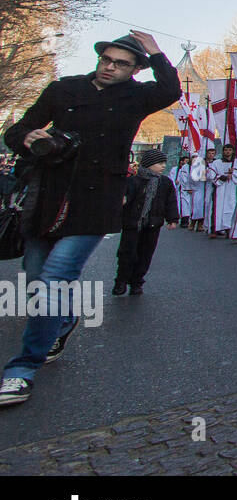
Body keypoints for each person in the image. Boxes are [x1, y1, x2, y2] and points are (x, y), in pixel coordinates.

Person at [0, 31, 181, 408]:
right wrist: (29, 139)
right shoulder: (62, 90)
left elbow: (170, 91)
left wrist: (155, 50)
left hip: (96, 203)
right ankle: (62, 323)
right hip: (48, 195)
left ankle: (22, 369)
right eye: (106, 60)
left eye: (121, 64)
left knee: (53, 280)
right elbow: (14, 131)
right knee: (37, 280)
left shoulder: (136, 97)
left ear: (135, 70)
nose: (110, 67)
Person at [113, 148, 180, 295]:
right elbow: (126, 197)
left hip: (153, 225)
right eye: (159, 163)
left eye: (164, 163)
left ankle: (137, 282)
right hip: (132, 224)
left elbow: (171, 202)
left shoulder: (165, 183)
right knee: (127, 253)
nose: (163, 166)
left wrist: (172, 219)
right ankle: (121, 281)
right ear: (149, 164)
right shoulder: (133, 181)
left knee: (145, 255)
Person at [207, 143, 237, 237]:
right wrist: (223, 177)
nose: (227, 152)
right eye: (225, 150)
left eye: (229, 150)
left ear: (232, 151)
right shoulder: (216, 163)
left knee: (231, 207)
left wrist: (234, 174)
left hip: (232, 188)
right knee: (217, 208)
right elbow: (212, 175)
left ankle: (229, 228)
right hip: (220, 188)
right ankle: (214, 229)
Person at [190, 147, 215, 233]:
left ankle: (203, 223)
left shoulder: (215, 163)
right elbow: (194, 174)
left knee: (207, 204)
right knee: (198, 204)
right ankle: (193, 222)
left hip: (209, 186)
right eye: (209, 153)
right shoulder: (200, 163)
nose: (211, 155)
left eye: (212, 153)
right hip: (200, 186)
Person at [169, 154, 193, 228]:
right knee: (180, 205)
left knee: (187, 206)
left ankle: (187, 220)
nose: (186, 163)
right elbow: (171, 179)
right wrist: (175, 182)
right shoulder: (175, 169)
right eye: (185, 161)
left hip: (187, 190)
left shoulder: (189, 169)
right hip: (178, 190)